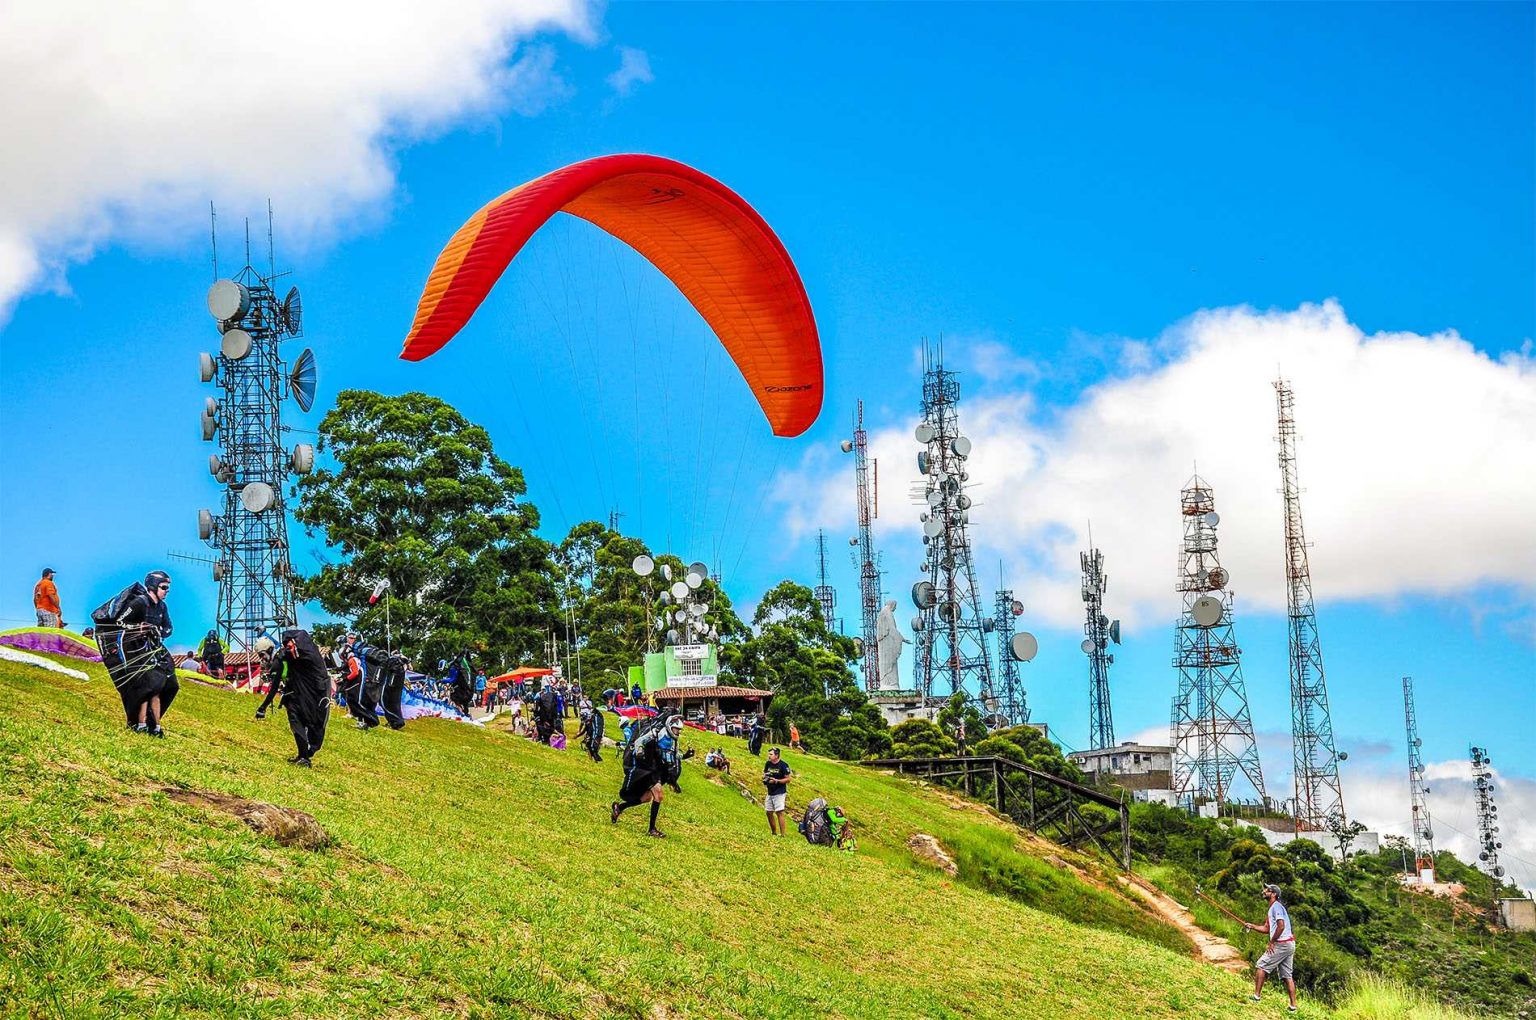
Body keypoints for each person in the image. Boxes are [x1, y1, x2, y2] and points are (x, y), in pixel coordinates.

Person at [90, 571, 177, 736]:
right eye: (164, 587)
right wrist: (139, 628)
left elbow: (169, 628)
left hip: (154, 647)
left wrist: (157, 630)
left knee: (167, 685)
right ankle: (139, 723)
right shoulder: (139, 603)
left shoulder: (162, 607)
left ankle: (155, 725)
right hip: (135, 648)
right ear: (152, 587)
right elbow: (121, 622)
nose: (166, 591)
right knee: (145, 686)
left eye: (167, 588)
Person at [256, 629, 331, 767]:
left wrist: (263, 707)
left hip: (306, 695)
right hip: (306, 694)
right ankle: (304, 754)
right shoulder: (289, 656)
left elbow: (275, 684)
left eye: (262, 655)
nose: (262, 659)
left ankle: (305, 757)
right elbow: (277, 684)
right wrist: (263, 706)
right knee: (299, 720)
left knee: (297, 720)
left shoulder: (283, 657)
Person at [611, 714, 692, 838]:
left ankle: (619, 807)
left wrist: (685, 756)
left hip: (659, 771)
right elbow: (639, 741)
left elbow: (674, 755)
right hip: (649, 770)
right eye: (677, 729)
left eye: (680, 730)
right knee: (659, 796)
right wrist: (639, 751)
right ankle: (652, 829)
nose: (678, 732)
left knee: (646, 798)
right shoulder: (657, 733)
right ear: (670, 727)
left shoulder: (674, 741)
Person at [1244, 883, 1298, 1012]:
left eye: (1267, 890)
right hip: (1289, 944)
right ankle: (1293, 1006)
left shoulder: (1276, 907)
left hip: (1282, 944)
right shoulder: (1272, 908)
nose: (1264, 891)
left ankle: (1256, 996)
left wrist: (1272, 942)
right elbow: (1267, 928)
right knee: (1287, 975)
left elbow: (1281, 926)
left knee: (1261, 965)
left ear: (1273, 894)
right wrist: (1252, 926)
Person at [762, 747, 793, 835]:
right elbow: (765, 773)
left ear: (776, 755)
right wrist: (765, 778)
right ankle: (774, 832)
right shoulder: (768, 764)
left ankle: (783, 834)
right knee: (768, 812)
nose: (769, 756)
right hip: (770, 791)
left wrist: (777, 781)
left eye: (771, 754)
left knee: (779, 812)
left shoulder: (783, 765)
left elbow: (788, 779)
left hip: (779, 792)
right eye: (769, 754)